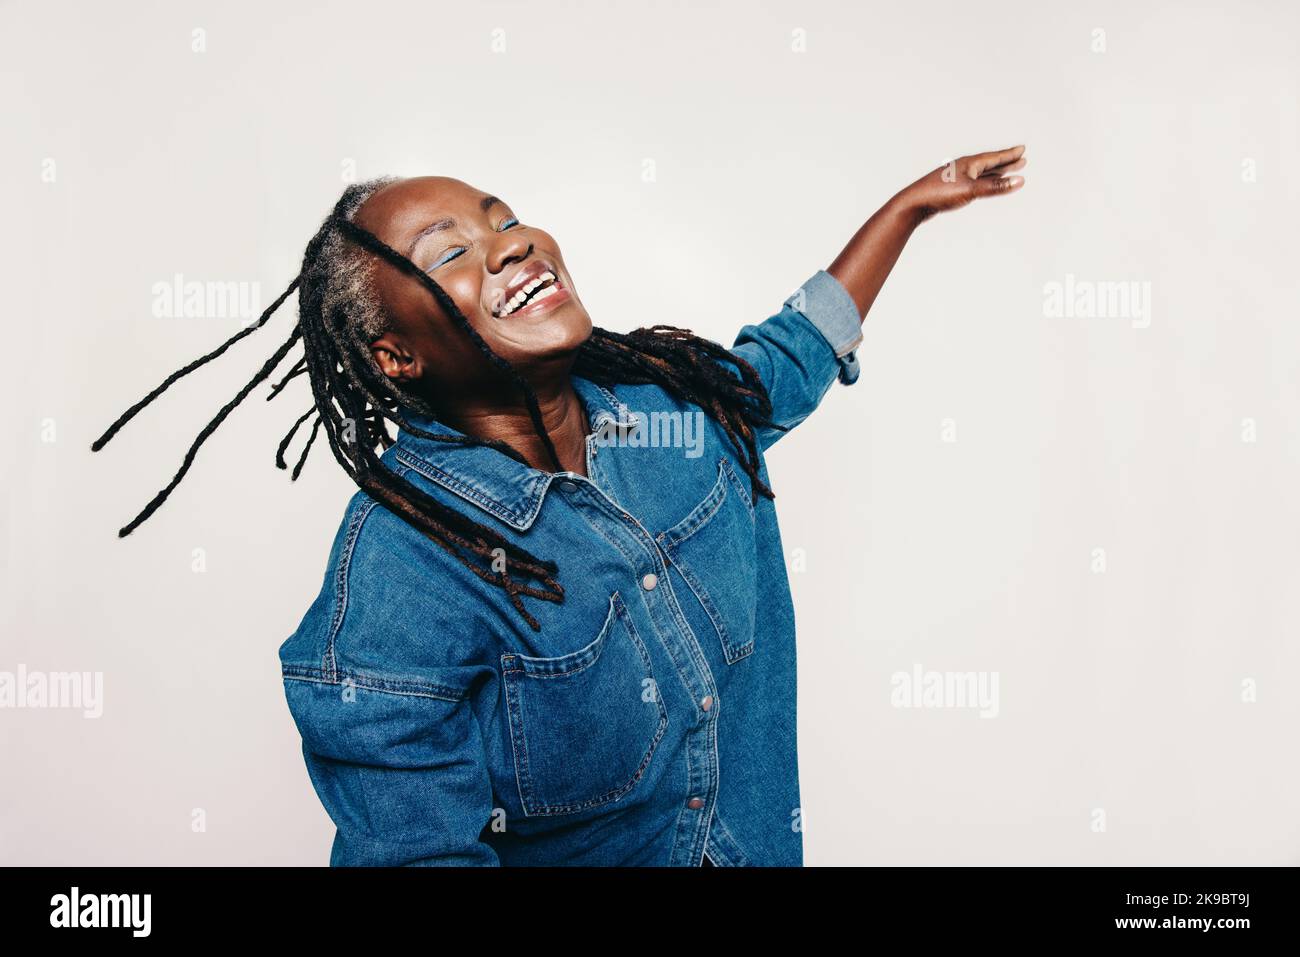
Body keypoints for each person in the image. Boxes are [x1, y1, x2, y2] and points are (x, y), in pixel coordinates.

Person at [93, 146, 1026, 865]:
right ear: (395, 356)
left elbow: (788, 357)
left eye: (504, 220)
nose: (512, 244)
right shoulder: (400, 573)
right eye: (452, 251)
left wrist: (909, 206)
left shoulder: (676, 414)